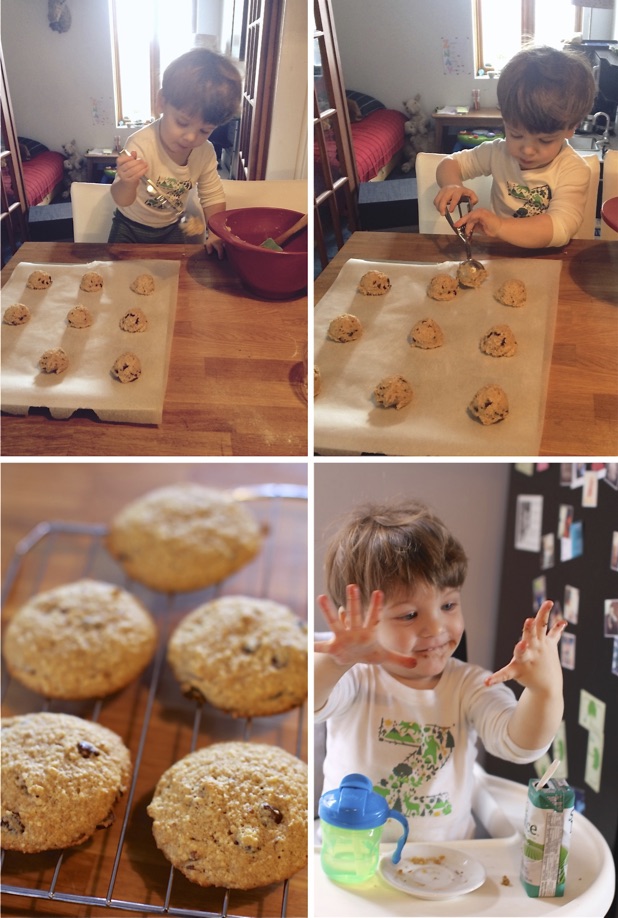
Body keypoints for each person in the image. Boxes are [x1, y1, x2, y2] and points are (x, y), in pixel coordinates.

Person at [315, 501, 567, 841]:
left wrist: (545, 690)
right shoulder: (354, 678)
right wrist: (338, 660)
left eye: (448, 605)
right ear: (356, 624)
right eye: (409, 615)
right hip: (351, 857)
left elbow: (520, 745)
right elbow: (310, 698)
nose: (435, 627)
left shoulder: (471, 686)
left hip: (448, 859)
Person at [433, 46, 596, 248]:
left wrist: (500, 226)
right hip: (500, 252)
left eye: (544, 141)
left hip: (551, 257)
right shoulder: (497, 152)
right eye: (516, 135)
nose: (527, 150)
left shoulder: (573, 169)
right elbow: (450, 163)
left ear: (572, 128)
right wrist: (452, 184)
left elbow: (561, 227)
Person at [109, 48, 242, 256]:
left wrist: (216, 232)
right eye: (182, 122)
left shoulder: (205, 152)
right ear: (162, 102)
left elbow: (212, 195)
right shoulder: (141, 144)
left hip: (171, 227)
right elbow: (121, 199)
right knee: (118, 271)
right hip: (129, 227)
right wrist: (127, 182)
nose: (191, 138)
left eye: (204, 130)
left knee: (176, 273)